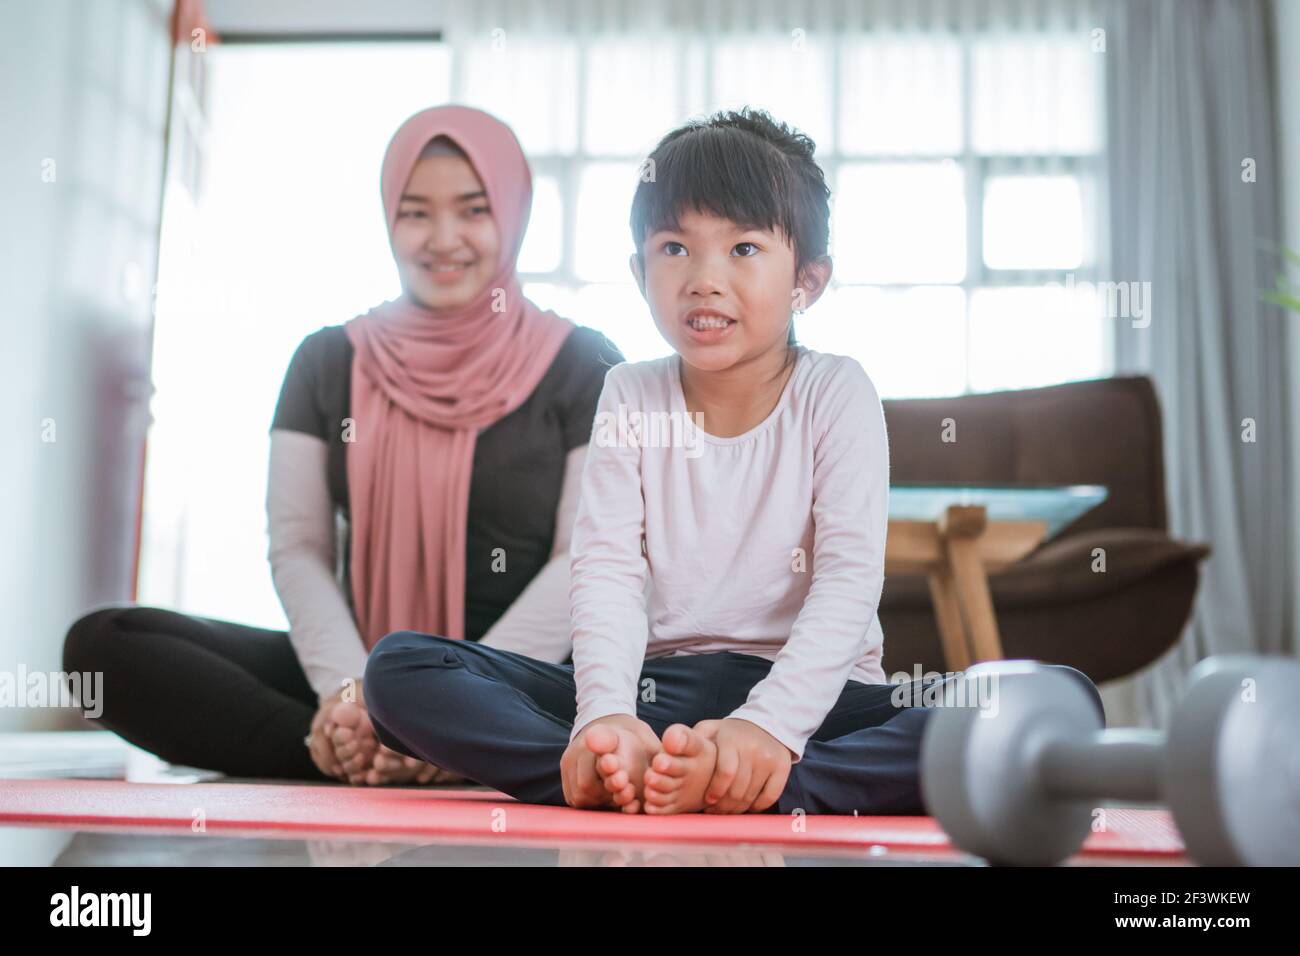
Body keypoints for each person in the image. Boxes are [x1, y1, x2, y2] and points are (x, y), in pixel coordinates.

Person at [361, 107, 1104, 814]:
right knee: (400, 671)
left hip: (819, 705)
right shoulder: (629, 390)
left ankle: (770, 782)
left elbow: (848, 579)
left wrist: (769, 729)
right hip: (661, 697)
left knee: (1056, 696)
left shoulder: (836, 390)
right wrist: (607, 717)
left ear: (807, 280)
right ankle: (618, 769)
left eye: (744, 248)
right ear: (638, 268)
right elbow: (608, 570)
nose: (704, 278)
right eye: (675, 247)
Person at [62, 105, 623, 786]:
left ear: (514, 213)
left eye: (473, 210)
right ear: (389, 218)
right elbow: (298, 546)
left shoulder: (583, 364)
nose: (443, 238)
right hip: (361, 671)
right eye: (416, 212)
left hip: (515, 686)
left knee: (637, 699)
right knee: (100, 651)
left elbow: (584, 560)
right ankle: (353, 748)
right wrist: (352, 693)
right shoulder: (328, 360)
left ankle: (434, 744)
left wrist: (449, 701)